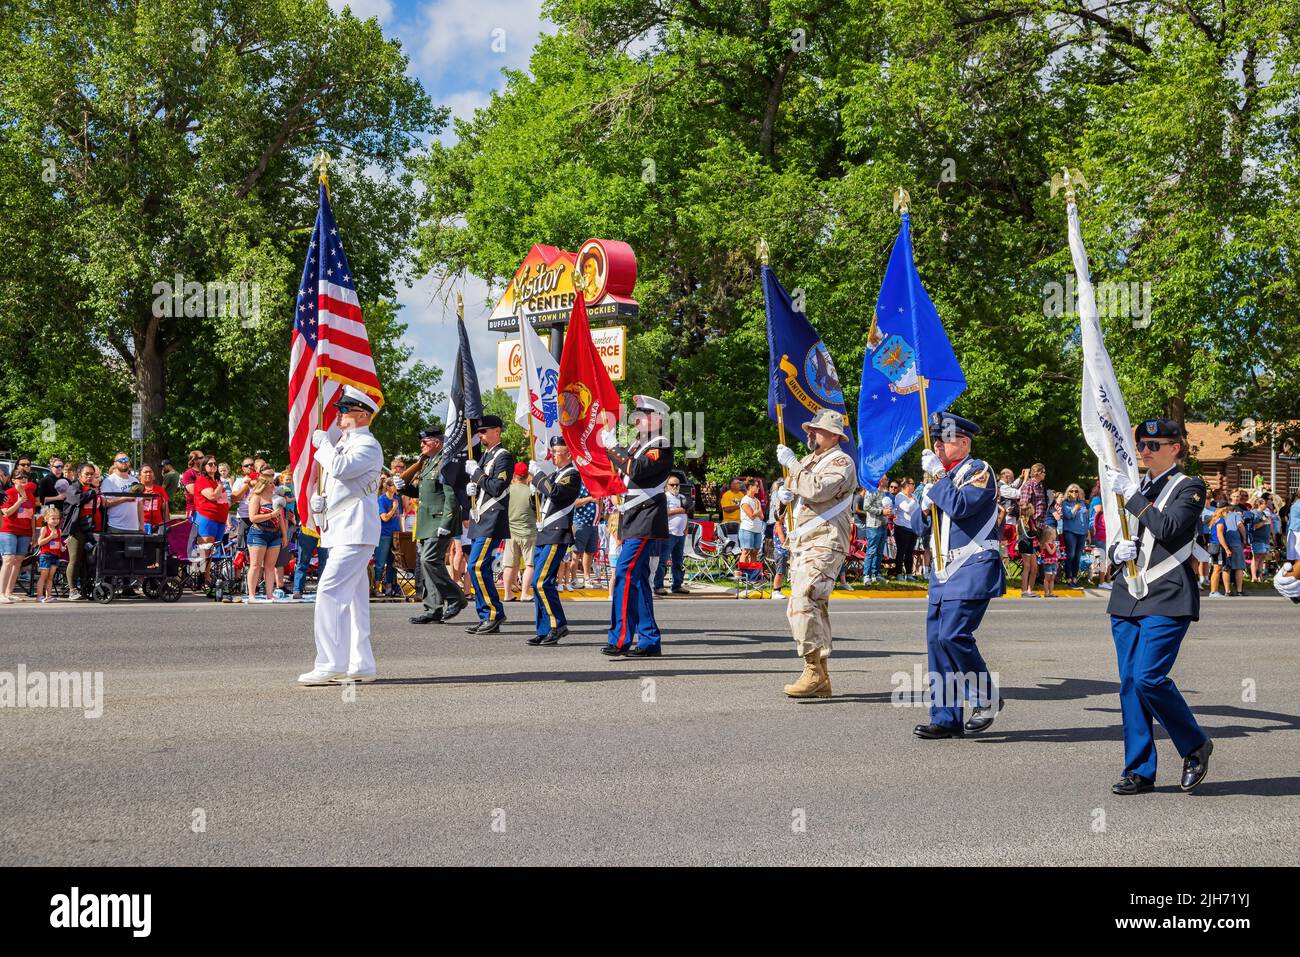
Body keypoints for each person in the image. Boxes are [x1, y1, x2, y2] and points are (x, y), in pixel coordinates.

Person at [1102, 418, 1214, 794]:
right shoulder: (1133, 485)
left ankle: (1194, 743)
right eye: (1142, 446)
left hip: (1167, 595)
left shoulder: (1190, 487)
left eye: (1154, 445)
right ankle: (1139, 769)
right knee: (1131, 684)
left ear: (1175, 448)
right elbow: (1116, 535)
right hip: (1128, 596)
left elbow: (1169, 528)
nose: (1145, 452)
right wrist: (1116, 551)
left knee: (1149, 677)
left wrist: (1133, 497)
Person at [914, 412, 1006, 739]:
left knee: (953, 635)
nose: (938, 445)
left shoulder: (978, 471)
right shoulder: (938, 477)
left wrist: (938, 479)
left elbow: (963, 506)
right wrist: (922, 505)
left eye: (945, 439)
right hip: (942, 573)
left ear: (964, 443)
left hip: (971, 568)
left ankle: (986, 697)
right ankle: (946, 717)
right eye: (936, 440)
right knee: (937, 643)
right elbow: (919, 527)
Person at [299, 385, 384, 685]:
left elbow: (340, 468)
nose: (339, 415)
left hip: (355, 531)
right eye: (340, 410)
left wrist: (322, 445)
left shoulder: (367, 444)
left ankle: (330, 662)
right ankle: (360, 663)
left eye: (345, 411)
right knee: (353, 601)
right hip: (342, 529)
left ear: (362, 415)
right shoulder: (347, 443)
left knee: (329, 592)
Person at [772, 409, 856, 697]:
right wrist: (781, 499)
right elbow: (785, 506)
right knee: (815, 605)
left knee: (802, 598)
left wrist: (793, 466)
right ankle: (822, 675)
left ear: (834, 436)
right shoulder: (808, 461)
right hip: (803, 541)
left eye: (817, 430)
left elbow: (818, 490)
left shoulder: (841, 462)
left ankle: (811, 670)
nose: (811, 433)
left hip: (825, 540)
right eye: (811, 429)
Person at [599, 395, 674, 657]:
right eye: (637, 413)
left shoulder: (660, 445)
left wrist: (614, 447)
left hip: (646, 517)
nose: (638, 417)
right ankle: (649, 640)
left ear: (658, 419)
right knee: (640, 581)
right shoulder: (637, 444)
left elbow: (638, 470)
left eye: (643, 413)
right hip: (631, 517)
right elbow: (622, 474)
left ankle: (619, 638)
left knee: (624, 574)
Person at [399, 426, 466, 625]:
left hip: (440, 520)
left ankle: (456, 598)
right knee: (427, 565)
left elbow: (451, 495)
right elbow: (423, 492)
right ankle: (433, 608)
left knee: (429, 560)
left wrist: (447, 521)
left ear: (437, 443)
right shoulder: (427, 463)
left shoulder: (446, 463)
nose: (421, 445)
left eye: (425, 442)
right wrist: (406, 488)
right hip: (427, 521)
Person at [462, 415, 515, 634]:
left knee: (476, 566)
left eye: (484, 431)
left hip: (492, 519)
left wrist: (477, 475)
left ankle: (492, 613)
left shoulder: (503, 457)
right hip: (480, 519)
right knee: (477, 567)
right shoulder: (485, 456)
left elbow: (497, 487)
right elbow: (484, 487)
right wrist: (470, 490)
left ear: (497, 431)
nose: (480, 435)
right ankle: (488, 614)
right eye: (479, 432)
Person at [526, 436, 580, 645]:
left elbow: (557, 494)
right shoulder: (553, 475)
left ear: (568, 454)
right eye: (553, 451)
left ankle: (558, 625)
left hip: (557, 533)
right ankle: (544, 628)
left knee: (542, 581)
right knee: (536, 582)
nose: (552, 455)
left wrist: (538, 476)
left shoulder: (572, 475)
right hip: (544, 532)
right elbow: (540, 509)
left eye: (557, 451)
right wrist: (534, 495)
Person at [244, 469, 284, 603]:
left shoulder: (276, 498)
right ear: (263, 484)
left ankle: (269, 595)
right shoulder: (256, 497)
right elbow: (253, 517)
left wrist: (284, 535)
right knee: (255, 565)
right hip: (258, 533)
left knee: (270, 566)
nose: (274, 486)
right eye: (271, 483)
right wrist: (271, 515)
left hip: (274, 534)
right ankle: (252, 595)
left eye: (274, 483)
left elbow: (281, 518)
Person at [0, 467, 36, 603]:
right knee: (8, 559)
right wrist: (20, 501)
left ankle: (9, 592)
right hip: (8, 530)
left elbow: (32, 516)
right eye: (20, 477)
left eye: (26, 477)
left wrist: (33, 534)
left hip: (25, 532)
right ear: (13, 480)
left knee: (18, 561)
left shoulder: (30, 494)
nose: (24, 479)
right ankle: (1, 593)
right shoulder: (8, 493)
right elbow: (7, 513)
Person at [503, 462, 537, 602]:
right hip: (528, 531)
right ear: (526, 476)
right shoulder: (531, 491)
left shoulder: (507, 490)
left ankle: (507, 593)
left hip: (510, 531)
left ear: (514, 476)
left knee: (509, 564)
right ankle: (524, 592)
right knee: (530, 564)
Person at [654, 474, 689, 595]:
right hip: (668, 533)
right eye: (672, 484)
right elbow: (662, 513)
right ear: (667, 486)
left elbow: (686, 513)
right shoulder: (665, 497)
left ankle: (677, 585)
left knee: (678, 561)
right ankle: (658, 585)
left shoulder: (682, 497)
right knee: (663, 561)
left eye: (677, 484)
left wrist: (686, 527)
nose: (675, 486)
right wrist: (678, 510)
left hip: (680, 534)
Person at [1018, 463, 1047, 596]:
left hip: (1038, 527)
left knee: (1035, 567)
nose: (1045, 474)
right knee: (1028, 564)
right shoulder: (1028, 485)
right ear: (1037, 472)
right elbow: (1024, 506)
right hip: (1029, 527)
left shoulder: (1040, 486)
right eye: (1043, 472)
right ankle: (1024, 590)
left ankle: (1030, 589)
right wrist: (1030, 523)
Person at [100, 453, 142, 533]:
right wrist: (125, 498)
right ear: (115, 464)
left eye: (126, 460)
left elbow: (140, 504)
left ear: (129, 463)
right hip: (115, 527)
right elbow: (105, 503)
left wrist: (142, 525)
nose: (124, 461)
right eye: (120, 460)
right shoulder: (109, 481)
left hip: (134, 528)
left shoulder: (135, 481)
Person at [373, 475, 401, 597]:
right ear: (389, 487)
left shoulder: (397, 499)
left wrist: (401, 532)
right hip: (384, 534)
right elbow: (384, 518)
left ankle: (389, 587)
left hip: (395, 534)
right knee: (380, 563)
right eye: (394, 485)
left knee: (393, 563)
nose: (396, 488)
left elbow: (399, 517)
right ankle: (377, 587)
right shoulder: (381, 499)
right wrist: (394, 508)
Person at [737, 478, 765, 591]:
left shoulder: (756, 500)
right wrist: (757, 512)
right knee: (746, 551)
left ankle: (753, 576)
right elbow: (751, 516)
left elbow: (761, 516)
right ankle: (743, 575)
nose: (758, 488)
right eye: (756, 486)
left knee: (754, 552)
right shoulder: (745, 500)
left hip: (757, 529)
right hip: (747, 529)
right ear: (750, 487)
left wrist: (758, 511)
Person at [893, 477, 920, 581]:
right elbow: (907, 508)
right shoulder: (900, 496)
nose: (914, 486)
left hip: (912, 527)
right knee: (901, 551)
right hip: (902, 527)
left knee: (910, 552)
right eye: (912, 484)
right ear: (907, 485)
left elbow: (917, 509)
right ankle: (899, 573)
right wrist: (912, 500)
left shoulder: (914, 496)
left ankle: (909, 574)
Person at [1061, 484, 1088, 586]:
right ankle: (1068, 578)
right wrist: (1075, 508)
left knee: (1078, 556)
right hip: (1070, 532)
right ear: (1068, 492)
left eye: (1076, 491)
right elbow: (1068, 516)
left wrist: (1088, 532)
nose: (1074, 493)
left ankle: (1075, 578)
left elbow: (1086, 518)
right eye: (1072, 491)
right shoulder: (1065, 503)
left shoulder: (1082, 503)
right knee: (1071, 555)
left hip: (1082, 533)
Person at [35, 506, 63, 603]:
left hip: (55, 556)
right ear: (46, 519)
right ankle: (39, 596)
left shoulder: (59, 531)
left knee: (50, 577)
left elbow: (59, 543)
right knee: (43, 576)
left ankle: (48, 596)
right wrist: (50, 537)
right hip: (46, 555)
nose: (56, 520)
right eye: (53, 518)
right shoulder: (44, 529)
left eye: (57, 518)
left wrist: (62, 547)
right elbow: (40, 542)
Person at [1039, 525, 1060, 597]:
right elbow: (1051, 552)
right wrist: (1055, 546)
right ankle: (1046, 592)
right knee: (1047, 578)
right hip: (1048, 563)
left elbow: (1055, 554)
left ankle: (1051, 592)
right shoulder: (1046, 544)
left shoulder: (1053, 543)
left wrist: (1057, 562)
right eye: (1054, 534)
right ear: (1050, 535)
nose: (1055, 535)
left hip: (1054, 562)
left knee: (1052, 578)